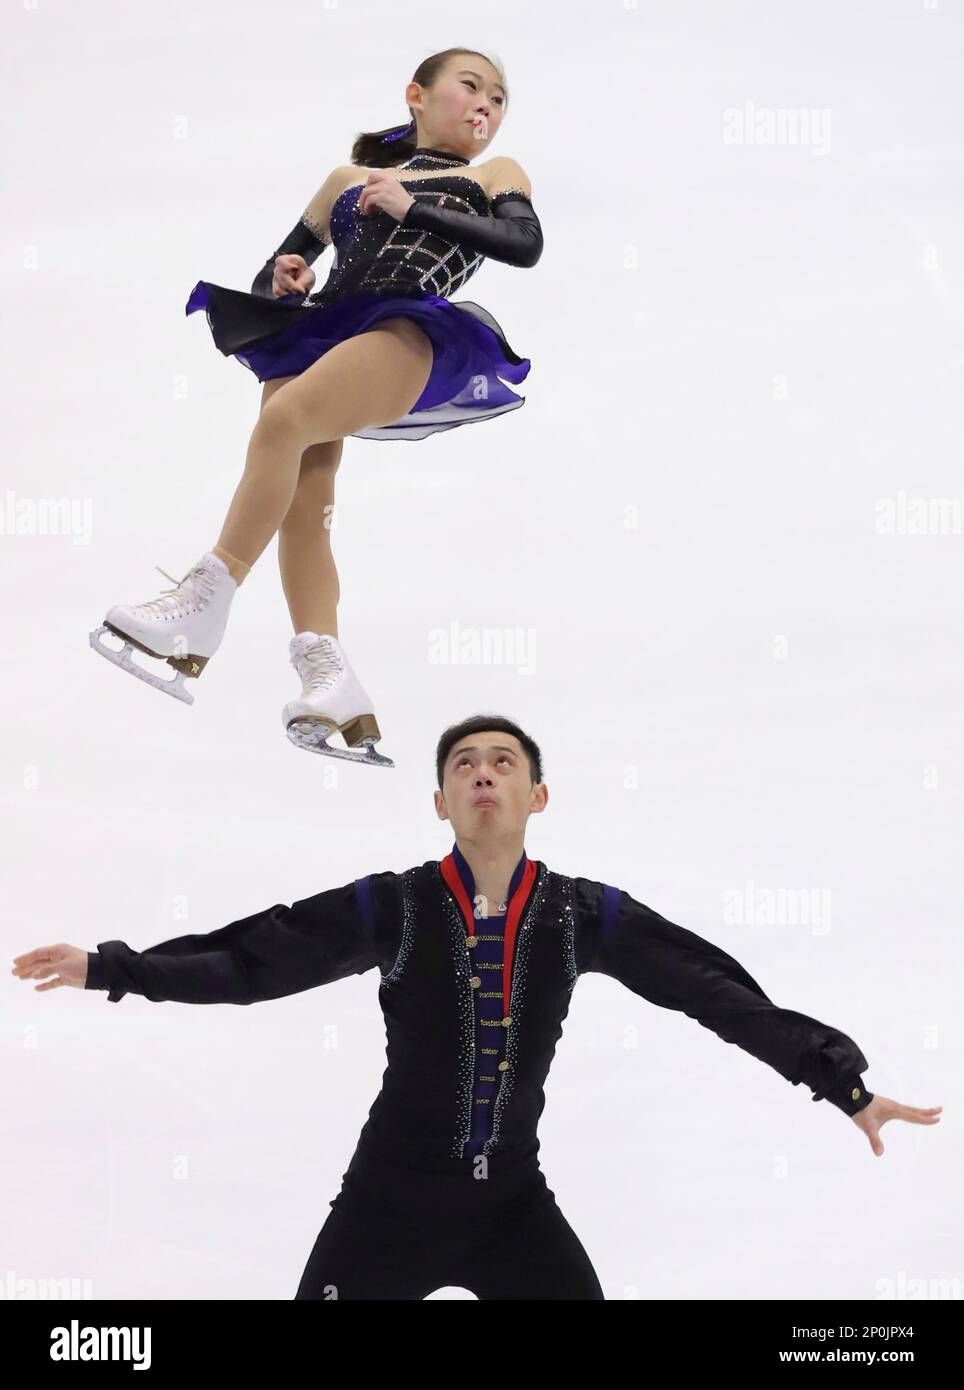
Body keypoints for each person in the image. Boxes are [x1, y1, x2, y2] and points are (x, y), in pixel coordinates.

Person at [11, 716, 941, 1301]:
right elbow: (258, 958)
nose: (484, 775)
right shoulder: (398, 903)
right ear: (440, 800)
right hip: (386, 1207)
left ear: (537, 795)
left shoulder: (583, 915)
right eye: (465, 764)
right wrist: (112, 967)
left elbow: (713, 991)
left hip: (511, 1211)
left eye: (503, 763)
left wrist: (839, 1082)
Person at [88, 48, 543, 769]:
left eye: (500, 97)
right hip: (322, 327)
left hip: (406, 333)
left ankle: (203, 602)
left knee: (283, 423)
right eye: (471, 86)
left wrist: (414, 206)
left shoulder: (494, 174)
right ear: (416, 96)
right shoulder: (346, 181)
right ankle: (329, 678)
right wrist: (284, 279)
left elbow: (525, 245)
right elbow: (275, 274)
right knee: (306, 497)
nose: (487, 104)